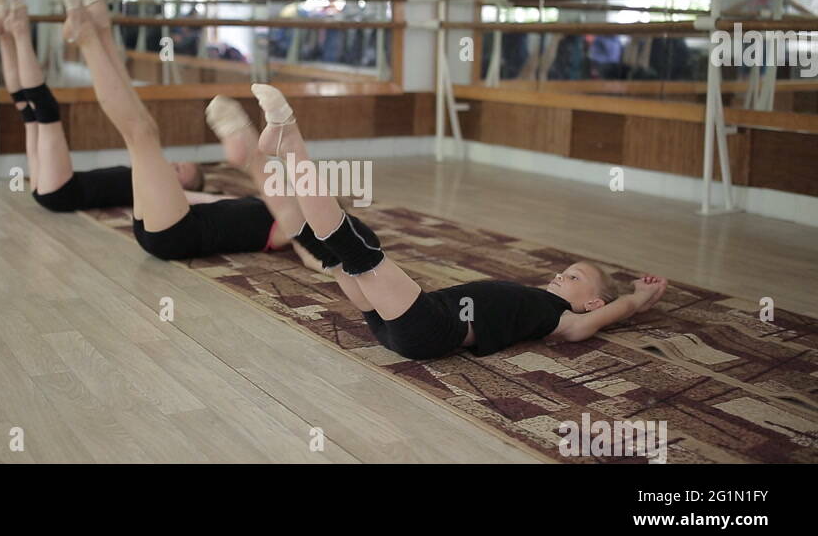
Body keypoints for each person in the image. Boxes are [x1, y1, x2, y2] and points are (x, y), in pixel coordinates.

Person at [248, 83, 670, 360]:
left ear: (593, 303)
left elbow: (588, 327)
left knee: (352, 245)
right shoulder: (540, 304)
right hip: (402, 320)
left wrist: (634, 299)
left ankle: (290, 140)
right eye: (567, 270)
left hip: (428, 327)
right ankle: (281, 150)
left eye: (575, 277)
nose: (562, 273)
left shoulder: (561, 320)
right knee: (339, 250)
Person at [50, 0, 319, 261]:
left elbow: (312, 255)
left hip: (178, 233)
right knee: (139, 124)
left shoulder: (294, 228)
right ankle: (101, 28)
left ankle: (87, 38)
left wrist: (332, 253)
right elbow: (206, 199)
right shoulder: (265, 203)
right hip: (170, 221)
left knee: (141, 131)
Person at [0, 0, 204, 212]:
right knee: (28, 111)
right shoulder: (150, 172)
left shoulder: (172, 195)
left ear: (183, 186)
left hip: (62, 190)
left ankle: (20, 28)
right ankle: (5, 33)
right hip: (51, 186)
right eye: (179, 163)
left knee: (45, 111)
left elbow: (203, 200)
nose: (174, 165)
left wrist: (243, 202)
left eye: (180, 170)